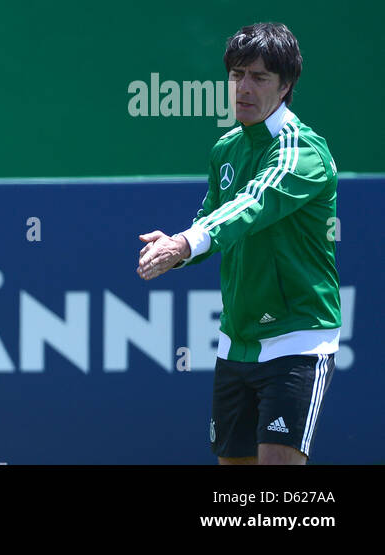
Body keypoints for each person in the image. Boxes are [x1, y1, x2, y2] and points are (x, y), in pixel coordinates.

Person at [135, 22, 340, 465]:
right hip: (236, 341)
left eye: (259, 77)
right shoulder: (226, 148)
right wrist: (179, 247)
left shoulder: (301, 150)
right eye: (237, 75)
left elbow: (252, 204)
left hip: (294, 340)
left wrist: (185, 244)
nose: (243, 87)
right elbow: (212, 223)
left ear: (285, 86)